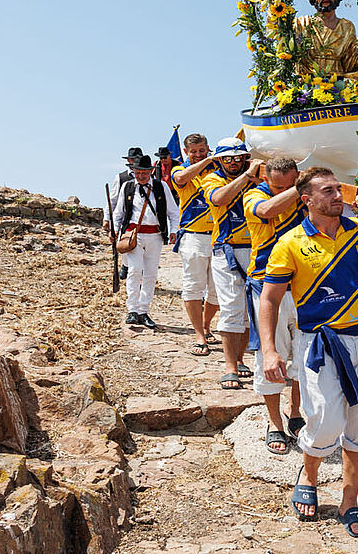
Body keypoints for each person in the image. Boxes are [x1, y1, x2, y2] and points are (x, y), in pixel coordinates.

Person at [259, 166, 358, 537]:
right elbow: (269, 298)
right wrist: (270, 350)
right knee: (326, 422)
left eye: (337, 189)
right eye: (327, 191)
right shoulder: (290, 242)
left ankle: (350, 500)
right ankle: (309, 475)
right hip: (319, 341)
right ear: (307, 200)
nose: (337, 195)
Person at [242, 157, 306, 454]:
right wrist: (300, 189)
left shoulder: (305, 197)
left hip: (305, 284)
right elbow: (267, 210)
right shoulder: (253, 195)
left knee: (304, 354)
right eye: (277, 185)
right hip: (267, 284)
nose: (283, 190)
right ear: (266, 179)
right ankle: (273, 423)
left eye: (289, 184)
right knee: (271, 354)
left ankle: (295, 413)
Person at [200, 138, 262, 389]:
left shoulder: (254, 179)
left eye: (239, 158)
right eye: (229, 158)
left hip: (255, 248)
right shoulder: (211, 179)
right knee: (231, 306)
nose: (234, 162)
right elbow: (219, 199)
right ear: (219, 160)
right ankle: (230, 367)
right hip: (227, 249)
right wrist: (248, 176)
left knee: (251, 309)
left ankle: (241, 358)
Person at [111, 154, 178, 329]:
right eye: (138, 172)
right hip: (134, 235)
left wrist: (174, 230)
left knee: (150, 274)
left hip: (155, 236)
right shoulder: (127, 187)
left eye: (144, 173)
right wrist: (115, 231)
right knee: (134, 271)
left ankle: (143, 310)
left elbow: (173, 211)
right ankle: (132, 310)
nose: (141, 176)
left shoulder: (161, 186)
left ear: (150, 172)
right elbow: (118, 213)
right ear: (134, 171)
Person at [171, 134, 222, 355]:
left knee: (218, 290)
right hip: (193, 235)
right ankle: (199, 335)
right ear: (186, 152)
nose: (199, 154)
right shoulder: (178, 169)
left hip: (219, 236)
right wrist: (208, 161)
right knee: (194, 286)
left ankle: (206, 324)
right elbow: (181, 179)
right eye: (194, 151)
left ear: (208, 148)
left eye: (202, 150)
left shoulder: (218, 172)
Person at [104, 147, 144, 281]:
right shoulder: (121, 178)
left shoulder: (149, 176)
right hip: (126, 218)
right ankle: (126, 266)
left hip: (143, 219)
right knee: (126, 245)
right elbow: (113, 201)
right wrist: (107, 219)